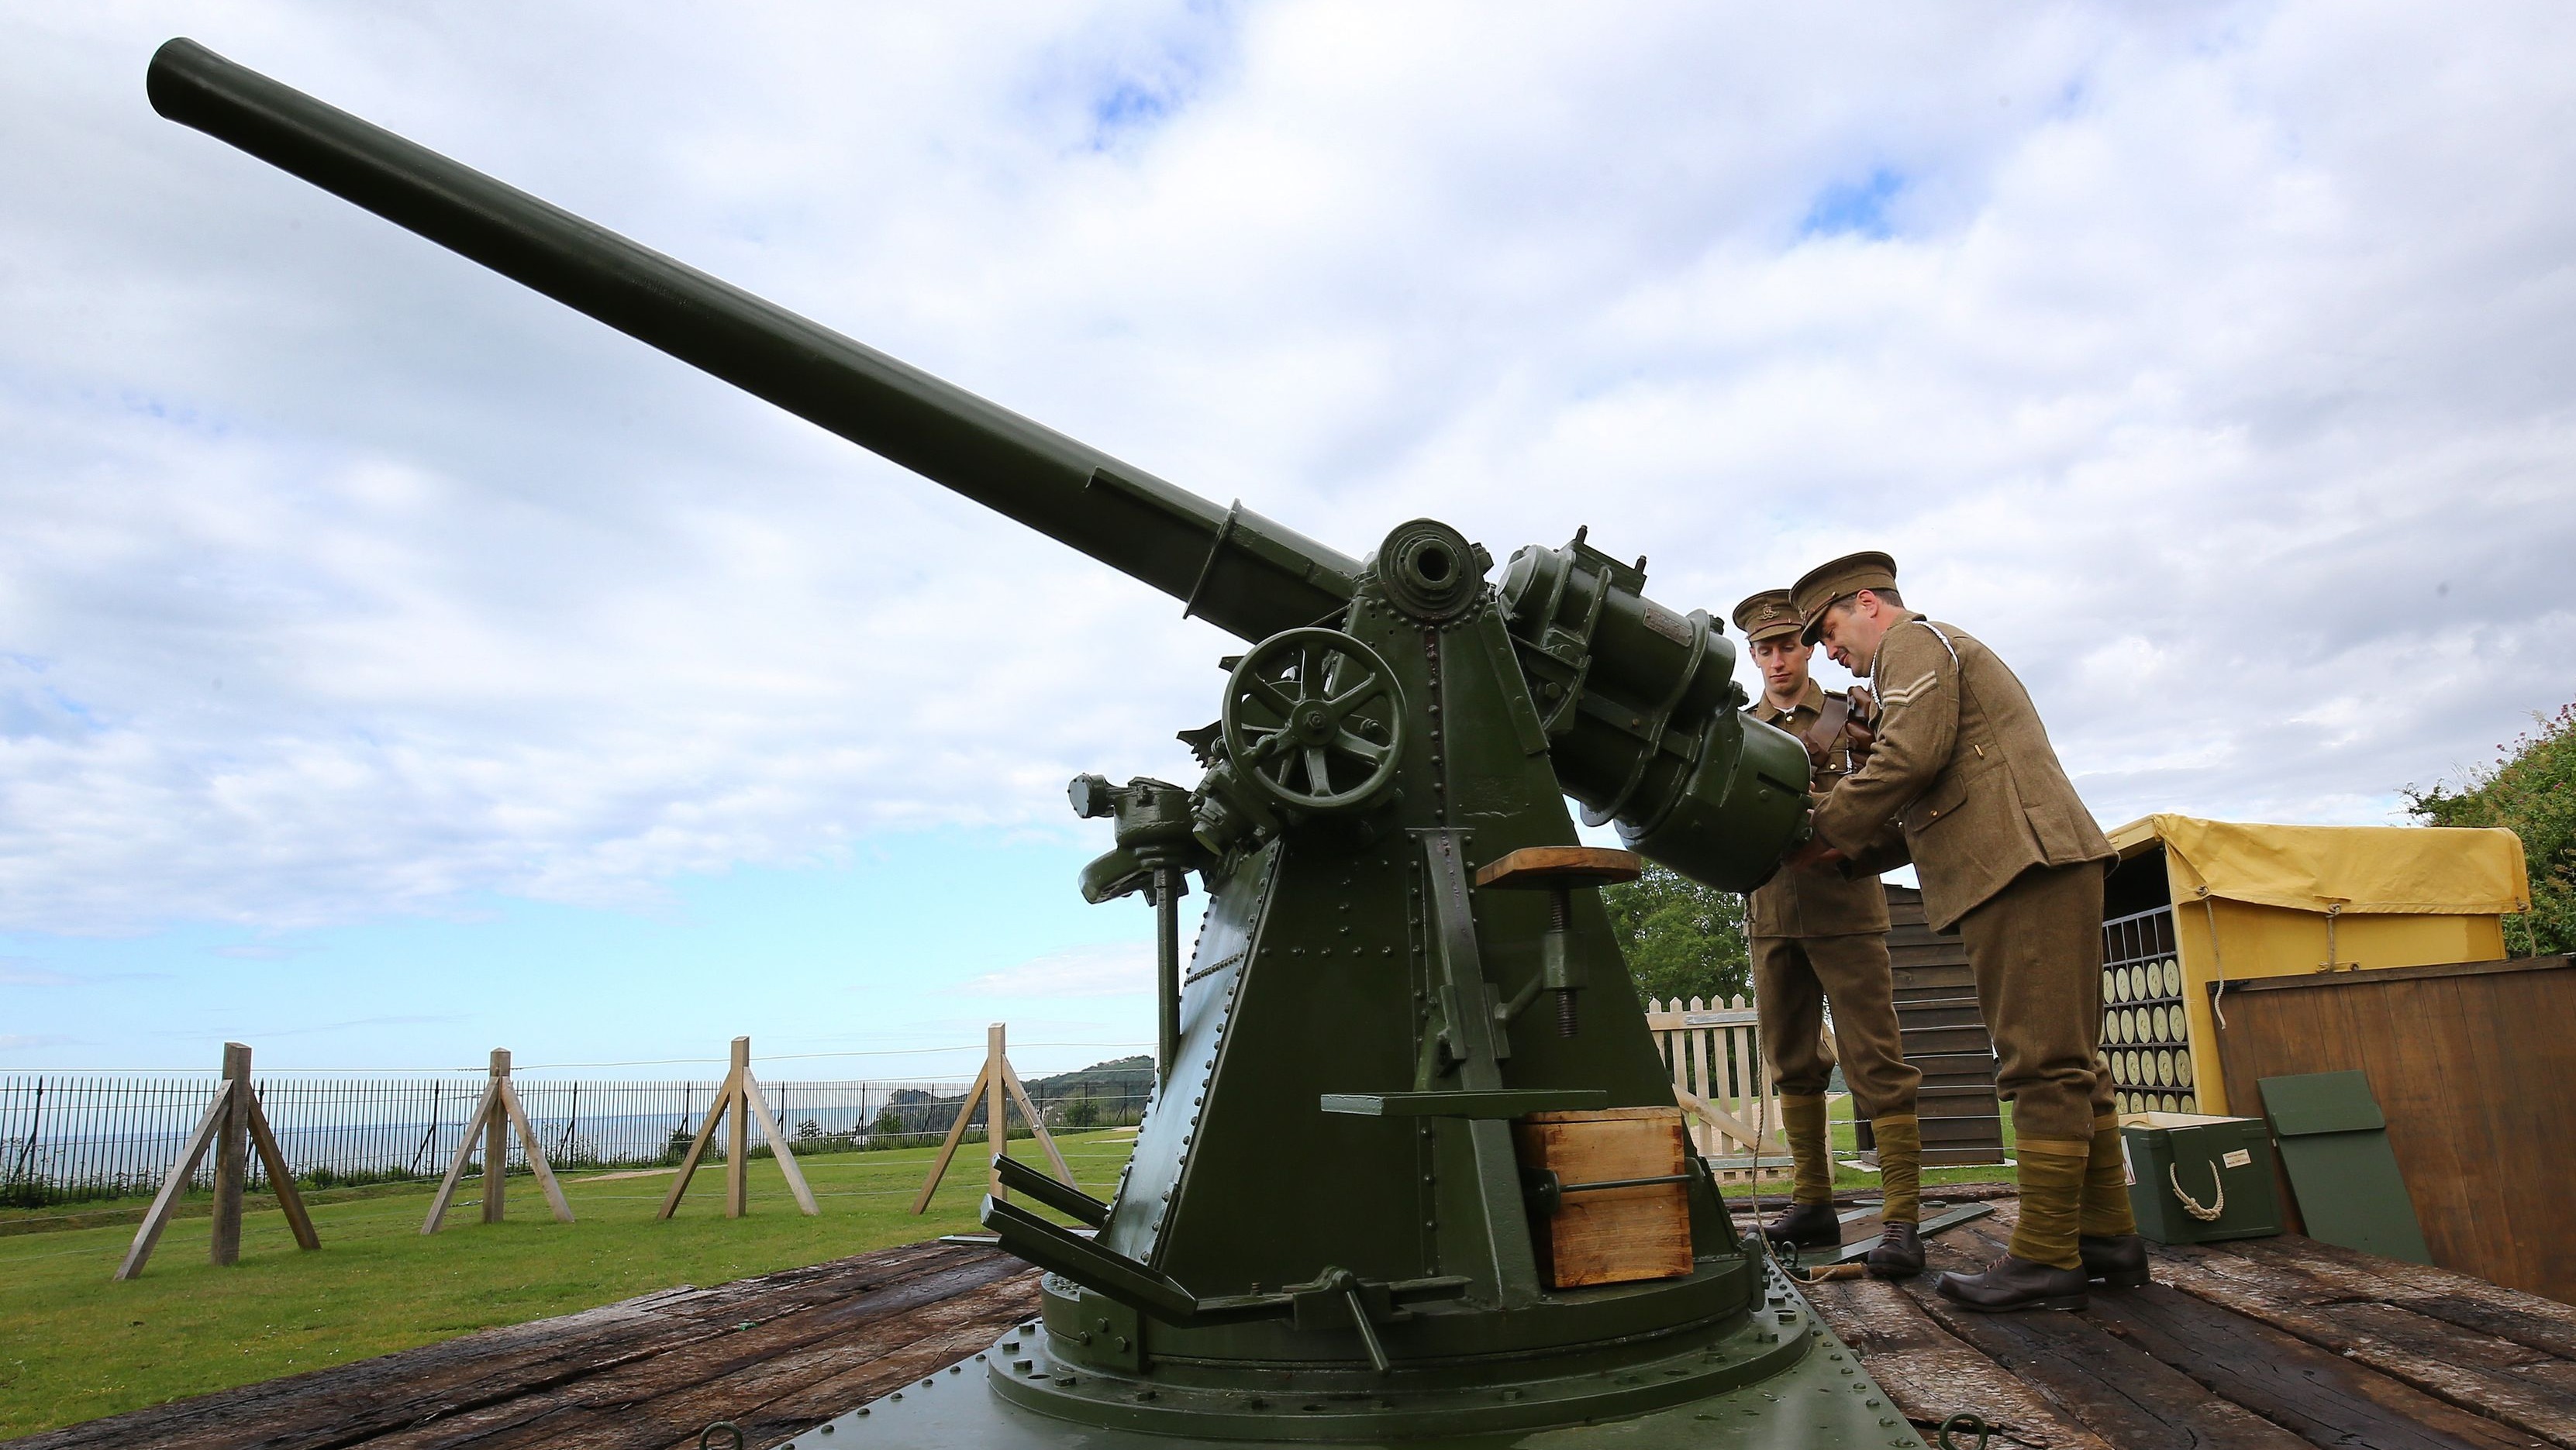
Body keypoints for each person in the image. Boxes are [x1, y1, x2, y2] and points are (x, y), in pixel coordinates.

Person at [1784, 552, 2145, 1313]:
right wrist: (1845, 853)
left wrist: (1826, 822)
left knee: (2040, 1064)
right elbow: (1932, 799)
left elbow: (1907, 760)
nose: (1824, 649)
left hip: (2020, 864)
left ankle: (2047, 1252)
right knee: (2071, 1062)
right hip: (2025, 859)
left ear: (1866, 603)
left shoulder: (1912, 646)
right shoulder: (1926, 657)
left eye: (1826, 628)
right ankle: (2106, 1235)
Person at [1732, 589, 1924, 1278]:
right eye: (1765, 648)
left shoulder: (1853, 715)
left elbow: (1891, 794)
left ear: (1809, 646)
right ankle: (1812, 1199)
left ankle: (1902, 1216)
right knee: (1791, 1061)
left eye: (1788, 644)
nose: (1778, 658)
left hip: (1845, 909)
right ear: (1751, 656)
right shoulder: (1737, 732)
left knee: (1876, 1062)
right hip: (1772, 914)